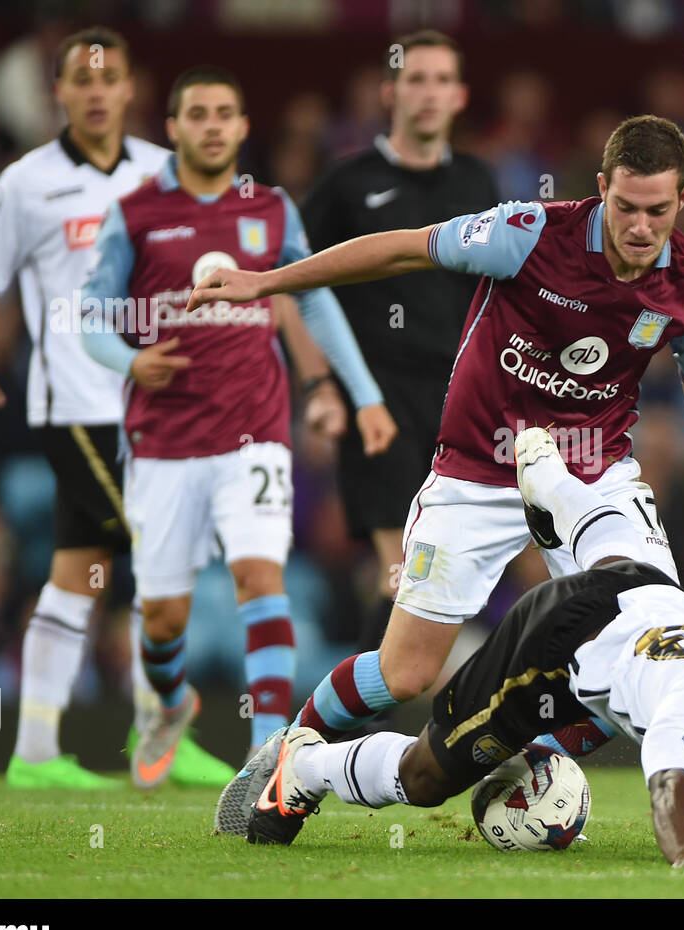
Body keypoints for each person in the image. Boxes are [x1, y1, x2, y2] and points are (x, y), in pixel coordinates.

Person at [187, 114, 684, 761]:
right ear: (603, 186)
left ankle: (508, 777)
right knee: (404, 674)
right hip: (480, 469)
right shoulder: (526, 234)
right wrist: (265, 282)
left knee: (646, 658)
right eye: (626, 207)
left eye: (658, 211)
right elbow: (404, 247)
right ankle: (281, 756)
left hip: (591, 473)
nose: (641, 227)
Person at [216, 428, 684, 867]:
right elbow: (672, 795)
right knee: (431, 776)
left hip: (656, 604)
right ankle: (304, 766)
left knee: (618, 568)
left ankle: (557, 488)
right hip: (561, 644)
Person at [80, 65, 396, 788]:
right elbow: (90, 318)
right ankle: (168, 700)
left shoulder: (274, 209)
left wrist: (364, 394)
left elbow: (313, 301)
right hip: (162, 442)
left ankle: (267, 756)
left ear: (243, 125)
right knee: (162, 619)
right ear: (174, 126)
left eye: (226, 113)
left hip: (255, 431)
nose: (213, 125)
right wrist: (129, 363)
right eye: (199, 114)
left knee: (261, 577)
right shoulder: (134, 213)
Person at [0, 26, 230, 789]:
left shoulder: (164, 171)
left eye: (112, 79)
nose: (99, 92)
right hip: (75, 405)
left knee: (79, 572)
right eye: (83, 79)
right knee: (156, 550)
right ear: (61, 93)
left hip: (159, 404)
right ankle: (158, 731)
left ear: (132, 89)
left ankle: (35, 753)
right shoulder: (25, 183)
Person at [300, 30, 499, 657]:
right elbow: (294, 287)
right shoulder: (344, 186)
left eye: (443, 79)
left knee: (445, 574)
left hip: (463, 403)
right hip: (377, 401)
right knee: (402, 569)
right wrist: (321, 386)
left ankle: (358, 731)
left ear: (461, 96)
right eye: (416, 79)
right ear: (390, 92)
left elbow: (506, 292)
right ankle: (335, 733)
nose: (430, 93)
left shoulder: (479, 182)